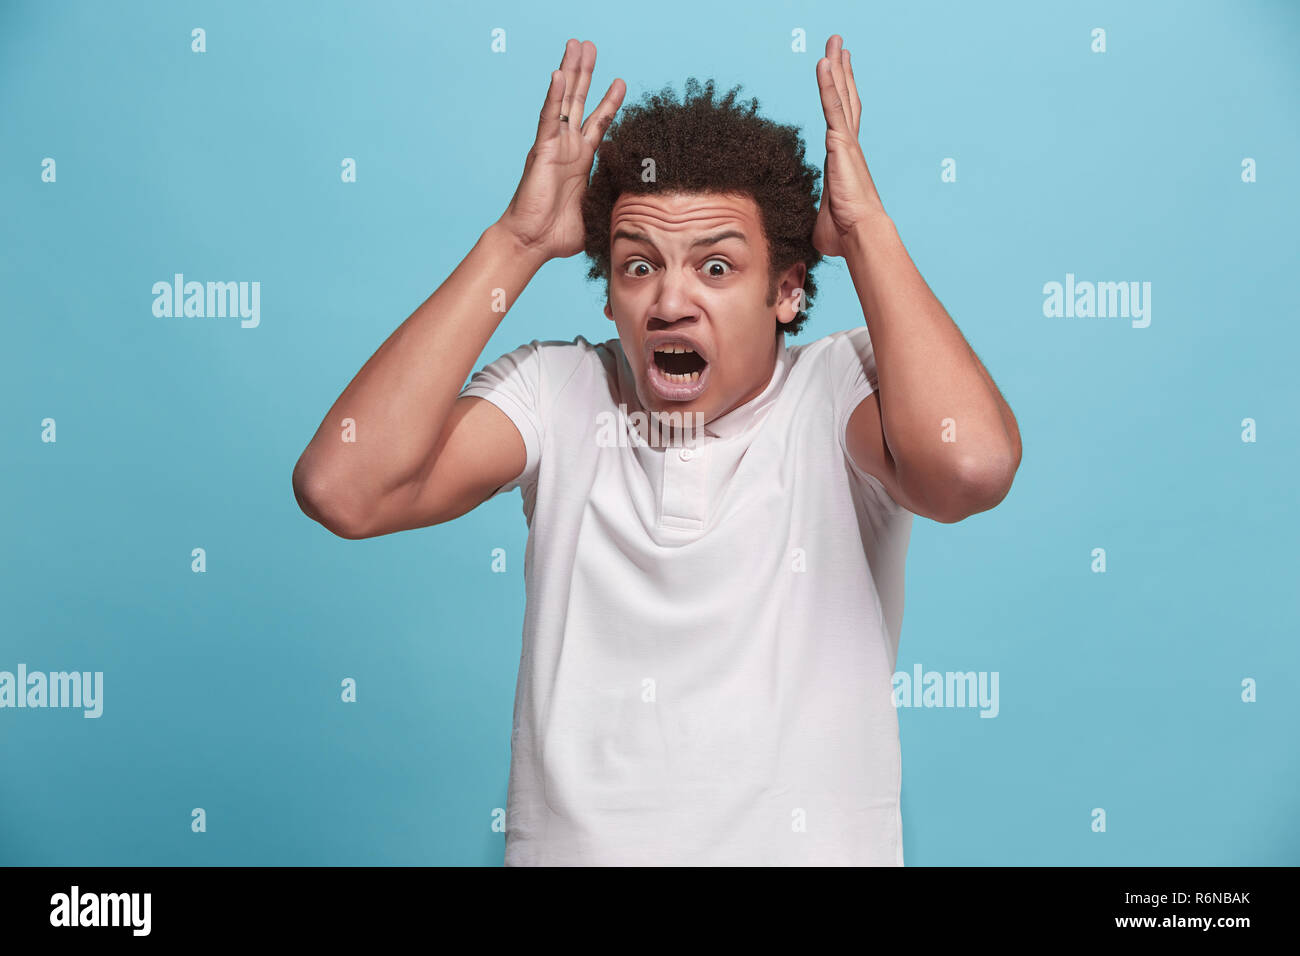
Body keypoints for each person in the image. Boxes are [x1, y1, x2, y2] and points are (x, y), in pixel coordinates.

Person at [292, 35, 1022, 865]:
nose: (671, 300)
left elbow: (970, 468)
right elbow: (342, 487)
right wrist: (519, 241)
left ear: (786, 291)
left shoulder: (837, 393)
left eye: (716, 267)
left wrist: (863, 230)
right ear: (610, 294)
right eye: (639, 266)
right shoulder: (559, 392)